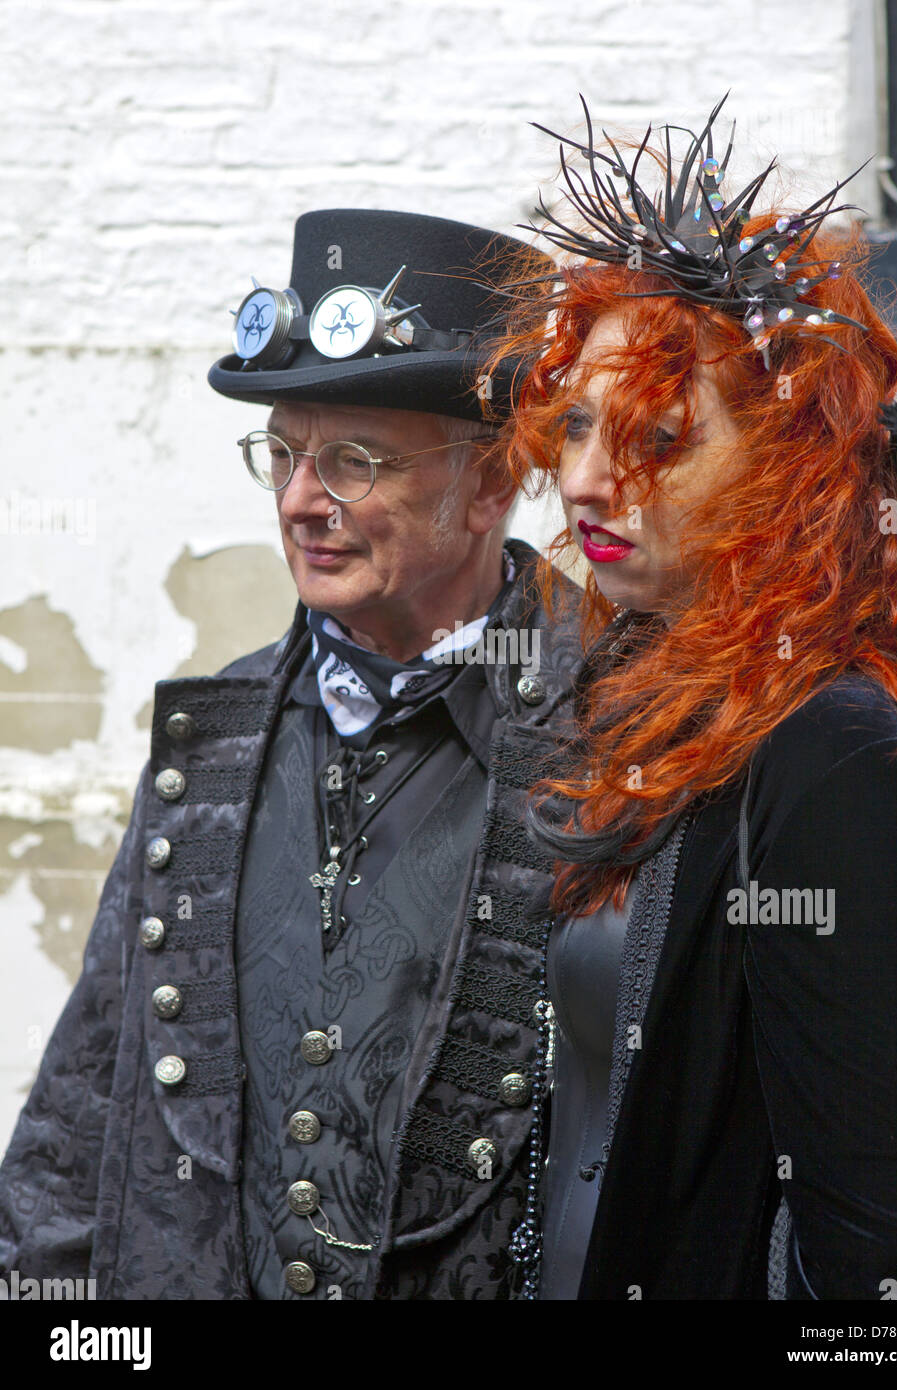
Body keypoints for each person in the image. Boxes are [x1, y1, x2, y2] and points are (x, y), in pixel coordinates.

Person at [0, 207, 585, 1299]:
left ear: (494, 480)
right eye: (282, 454)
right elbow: (82, 1121)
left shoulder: (615, 731)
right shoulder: (210, 740)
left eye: (356, 461)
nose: (303, 502)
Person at [489, 98, 897, 1300]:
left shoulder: (832, 751)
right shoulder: (635, 701)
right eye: (582, 425)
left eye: (657, 435)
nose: (590, 481)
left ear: (782, 467)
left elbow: (878, 1258)